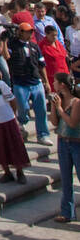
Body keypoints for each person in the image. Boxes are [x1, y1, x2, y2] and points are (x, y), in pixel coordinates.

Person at [4, 22, 51, 147]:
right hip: (20, 82)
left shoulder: (34, 46)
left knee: (41, 109)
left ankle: (43, 134)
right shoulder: (13, 44)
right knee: (23, 108)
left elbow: (42, 65)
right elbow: (6, 56)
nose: (30, 34)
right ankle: (21, 124)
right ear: (21, 32)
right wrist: (3, 41)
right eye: (27, 32)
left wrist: (46, 81)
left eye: (31, 32)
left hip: (36, 81)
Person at [49, 72, 80, 223]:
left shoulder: (76, 102)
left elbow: (72, 123)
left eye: (55, 82)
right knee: (66, 179)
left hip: (76, 143)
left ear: (62, 85)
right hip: (62, 142)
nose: (53, 84)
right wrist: (54, 107)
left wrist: (60, 108)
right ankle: (67, 212)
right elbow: (55, 122)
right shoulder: (58, 100)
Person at [39, 24, 69, 91]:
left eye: (56, 35)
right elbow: (39, 63)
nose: (55, 37)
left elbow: (64, 55)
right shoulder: (42, 46)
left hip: (64, 74)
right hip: (52, 77)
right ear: (46, 34)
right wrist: (44, 80)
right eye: (52, 35)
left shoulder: (58, 43)